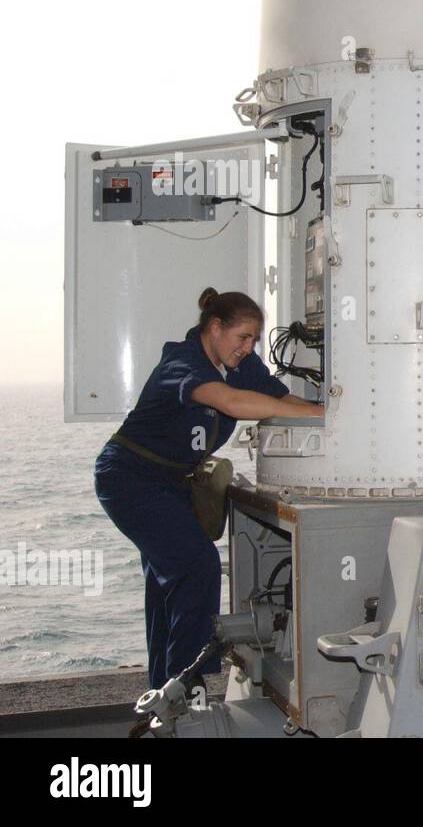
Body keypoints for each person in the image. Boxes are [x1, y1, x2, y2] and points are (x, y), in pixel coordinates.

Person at [94, 287, 325, 689]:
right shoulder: (182, 361)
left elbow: (281, 398)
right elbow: (233, 403)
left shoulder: (241, 364)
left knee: (168, 580)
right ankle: (188, 683)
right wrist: (320, 413)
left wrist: (326, 414)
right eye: (242, 338)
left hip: (172, 482)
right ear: (215, 328)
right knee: (197, 564)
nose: (249, 347)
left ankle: (164, 687)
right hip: (130, 477)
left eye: (254, 339)